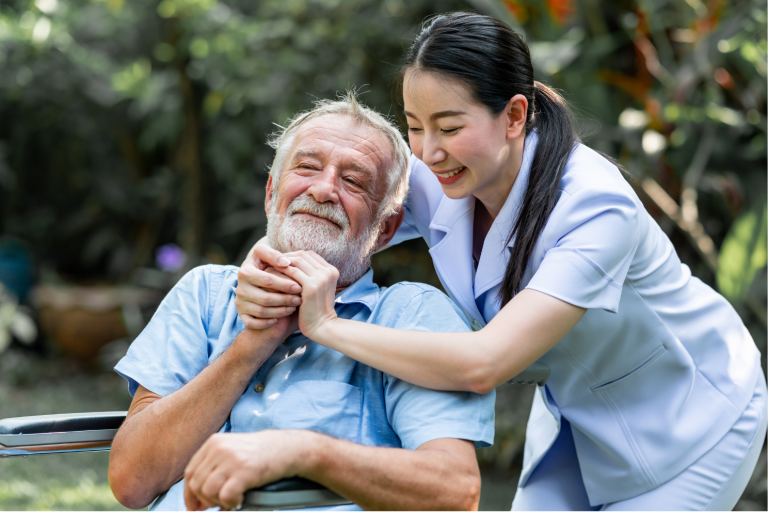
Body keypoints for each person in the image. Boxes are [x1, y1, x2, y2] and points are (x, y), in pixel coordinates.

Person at [235, 12, 767, 511]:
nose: (426, 152)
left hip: (695, 418)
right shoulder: (438, 174)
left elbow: (482, 364)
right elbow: (330, 223)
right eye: (415, 125)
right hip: (574, 420)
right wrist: (268, 266)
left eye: (448, 126)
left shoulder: (596, 207)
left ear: (514, 115)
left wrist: (325, 323)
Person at [107, 93, 495, 511]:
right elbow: (133, 481)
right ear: (272, 193)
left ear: (385, 228)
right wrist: (253, 343)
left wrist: (305, 451)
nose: (325, 189)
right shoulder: (204, 295)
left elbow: (455, 493)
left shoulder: (410, 315)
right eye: (308, 167)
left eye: (354, 181)